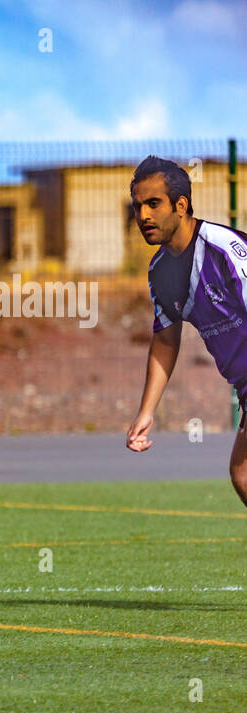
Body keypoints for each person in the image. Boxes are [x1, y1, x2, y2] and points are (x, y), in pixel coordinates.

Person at [127, 156, 247, 504]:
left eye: (153, 204)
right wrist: (147, 411)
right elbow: (165, 340)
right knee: (242, 475)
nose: (143, 216)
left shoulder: (225, 250)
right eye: (137, 207)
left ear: (181, 205)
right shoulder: (161, 272)